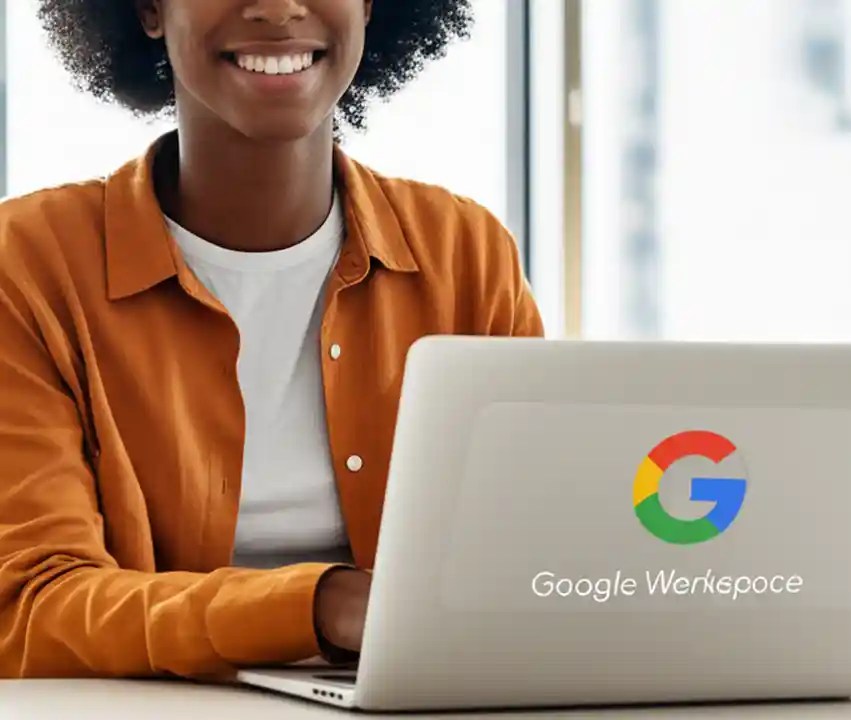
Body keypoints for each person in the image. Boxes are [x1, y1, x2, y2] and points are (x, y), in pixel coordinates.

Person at [0, 0, 542, 679]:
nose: (280, 7)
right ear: (147, 9)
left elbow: (529, 566)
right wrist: (323, 607)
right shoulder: (27, 264)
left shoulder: (465, 253)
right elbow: (29, 610)